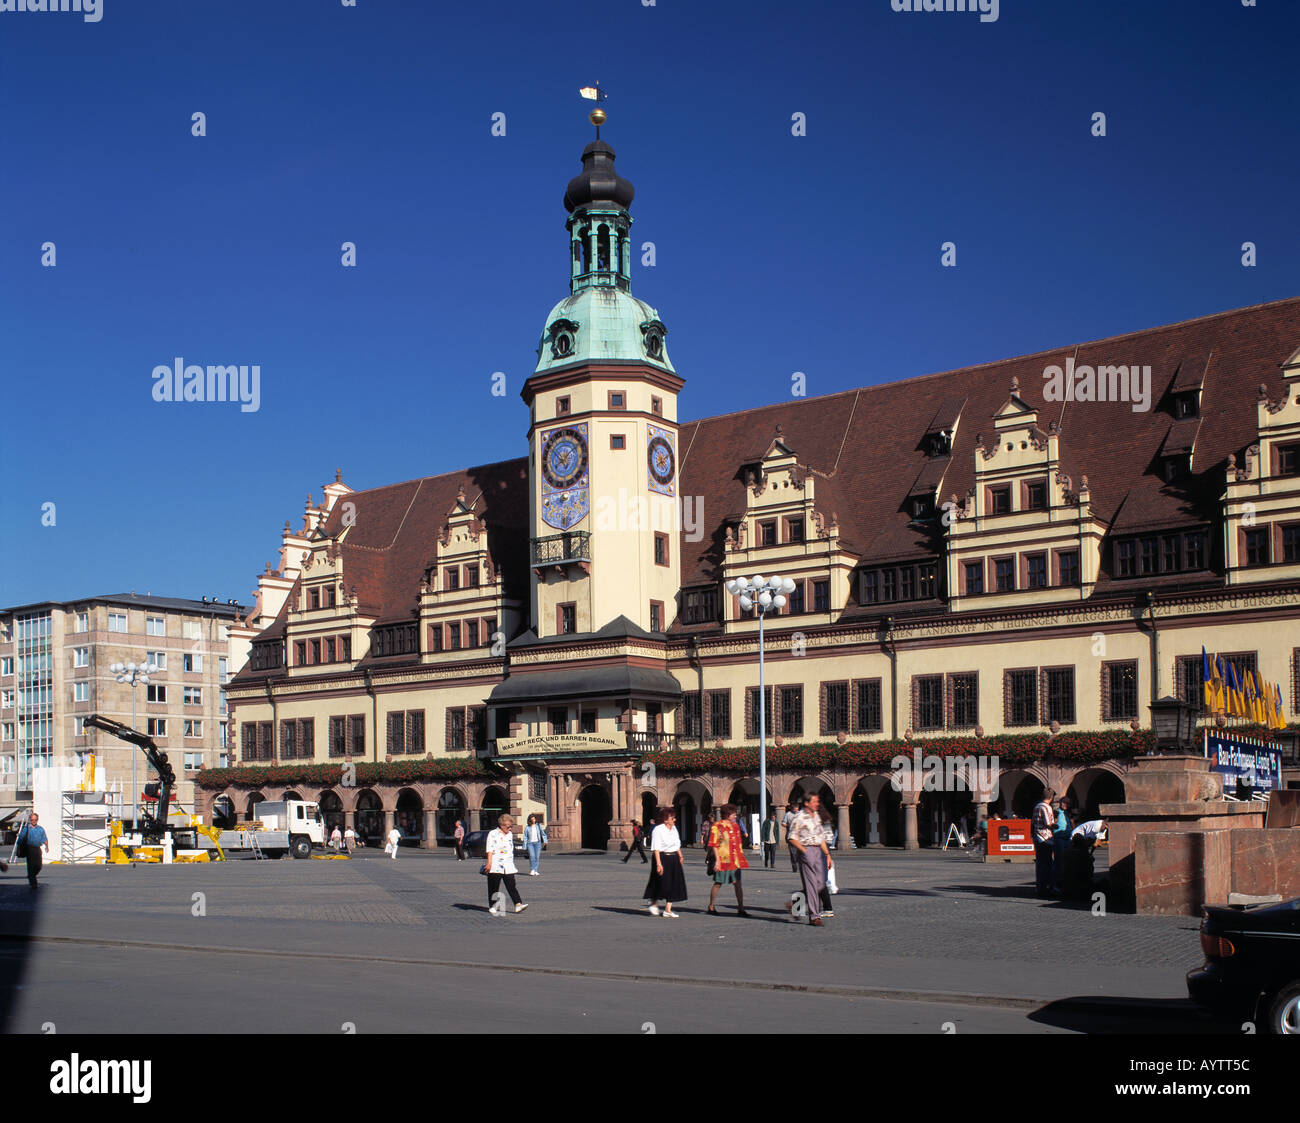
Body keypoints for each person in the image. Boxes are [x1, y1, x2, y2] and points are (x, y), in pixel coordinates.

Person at [788, 794, 831, 926]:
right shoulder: (799, 817)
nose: (817, 803)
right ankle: (814, 917)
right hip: (806, 850)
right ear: (806, 803)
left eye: (817, 801)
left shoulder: (816, 816)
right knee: (811, 884)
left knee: (821, 883)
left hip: (819, 851)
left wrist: (827, 854)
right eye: (814, 801)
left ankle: (796, 903)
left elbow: (821, 837)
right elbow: (791, 837)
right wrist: (804, 851)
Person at [706, 804, 750, 917]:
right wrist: (717, 861)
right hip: (723, 859)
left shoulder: (735, 825)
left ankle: (741, 908)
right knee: (718, 883)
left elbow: (738, 843)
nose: (735, 815)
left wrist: (741, 858)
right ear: (726, 814)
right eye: (733, 813)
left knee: (738, 884)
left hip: (735, 860)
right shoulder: (717, 826)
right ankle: (711, 906)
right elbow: (713, 844)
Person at [644, 807, 687, 918]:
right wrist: (659, 864)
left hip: (674, 857)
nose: (674, 820)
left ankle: (668, 909)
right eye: (672, 818)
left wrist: (680, 855)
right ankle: (653, 900)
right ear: (665, 819)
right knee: (661, 882)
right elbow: (656, 848)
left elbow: (676, 843)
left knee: (674, 882)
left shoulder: (674, 829)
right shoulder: (658, 830)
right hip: (662, 857)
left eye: (674, 818)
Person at [483, 813, 528, 915]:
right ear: (502, 825)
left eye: (511, 826)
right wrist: (489, 863)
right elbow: (489, 849)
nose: (510, 828)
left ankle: (518, 904)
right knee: (494, 887)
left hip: (508, 865)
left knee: (511, 885)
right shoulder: (493, 834)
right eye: (509, 826)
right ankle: (493, 906)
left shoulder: (509, 834)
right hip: (495, 864)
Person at [1031, 789, 1056, 898]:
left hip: (1037, 836)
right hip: (1045, 837)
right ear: (1051, 797)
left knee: (1040, 863)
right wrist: (1056, 825)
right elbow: (1048, 824)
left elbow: (1032, 823)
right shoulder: (1046, 807)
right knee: (1047, 863)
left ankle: (1039, 886)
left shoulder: (1037, 806)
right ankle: (1045, 887)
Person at [15, 812, 49, 889]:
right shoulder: (26, 829)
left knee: (38, 866)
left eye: (35, 820)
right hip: (29, 848)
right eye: (32, 820)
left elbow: (44, 838)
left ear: (37, 820)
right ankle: (33, 882)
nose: (34, 821)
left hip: (37, 848)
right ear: (30, 820)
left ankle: (31, 875)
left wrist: (47, 846)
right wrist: (19, 847)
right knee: (31, 865)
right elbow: (20, 839)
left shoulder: (40, 829)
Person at [1052, 797, 1072, 893]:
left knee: (1066, 861)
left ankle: (1064, 883)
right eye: (1064, 803)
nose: (1065, 805)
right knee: (1059, 860)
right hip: (1059, 837)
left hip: (1067, 838)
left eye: (1067, 803)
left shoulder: (1067, 813)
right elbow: (1053, 822)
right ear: (1060, 803)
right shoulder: (1056, 812)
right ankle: (1057, 883)